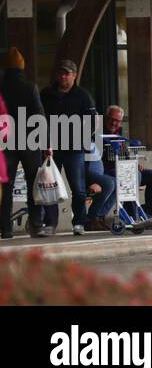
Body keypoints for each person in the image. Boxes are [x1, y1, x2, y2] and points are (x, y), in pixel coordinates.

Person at [39, 59, 97, 236]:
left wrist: (81, 140)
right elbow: (40, 119)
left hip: (75, 149)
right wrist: (44, 143)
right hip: (51, 149)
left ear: (74, 76)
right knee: (49, 187)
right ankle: (50, 224)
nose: (63, 76)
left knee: (78, 188)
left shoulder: (83, 96)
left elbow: (92, 122)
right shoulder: (46, 94)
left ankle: (79, 222)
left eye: (67, 73)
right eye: (61, 73)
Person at [0, 47, 44, 238]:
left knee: (6, 186)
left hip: (6, 144)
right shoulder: (30, 87)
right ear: (22, 67)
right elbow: (39, 116)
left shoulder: (1, 88)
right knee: (33, 183)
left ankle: (5, 228)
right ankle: (36, 223)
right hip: (29, 143)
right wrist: (45, 143)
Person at [102, 105, 152, 217]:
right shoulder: (100, 134)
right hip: (108, 171)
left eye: (117, 121)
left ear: (121, 122)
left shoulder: (119, 135)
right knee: (132, 175)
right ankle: (131, 215)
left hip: (122, 168)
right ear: (106, 118)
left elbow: (125, 156)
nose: (114, 123)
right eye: (112, 119)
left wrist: (135, 165)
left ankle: (151, 213)